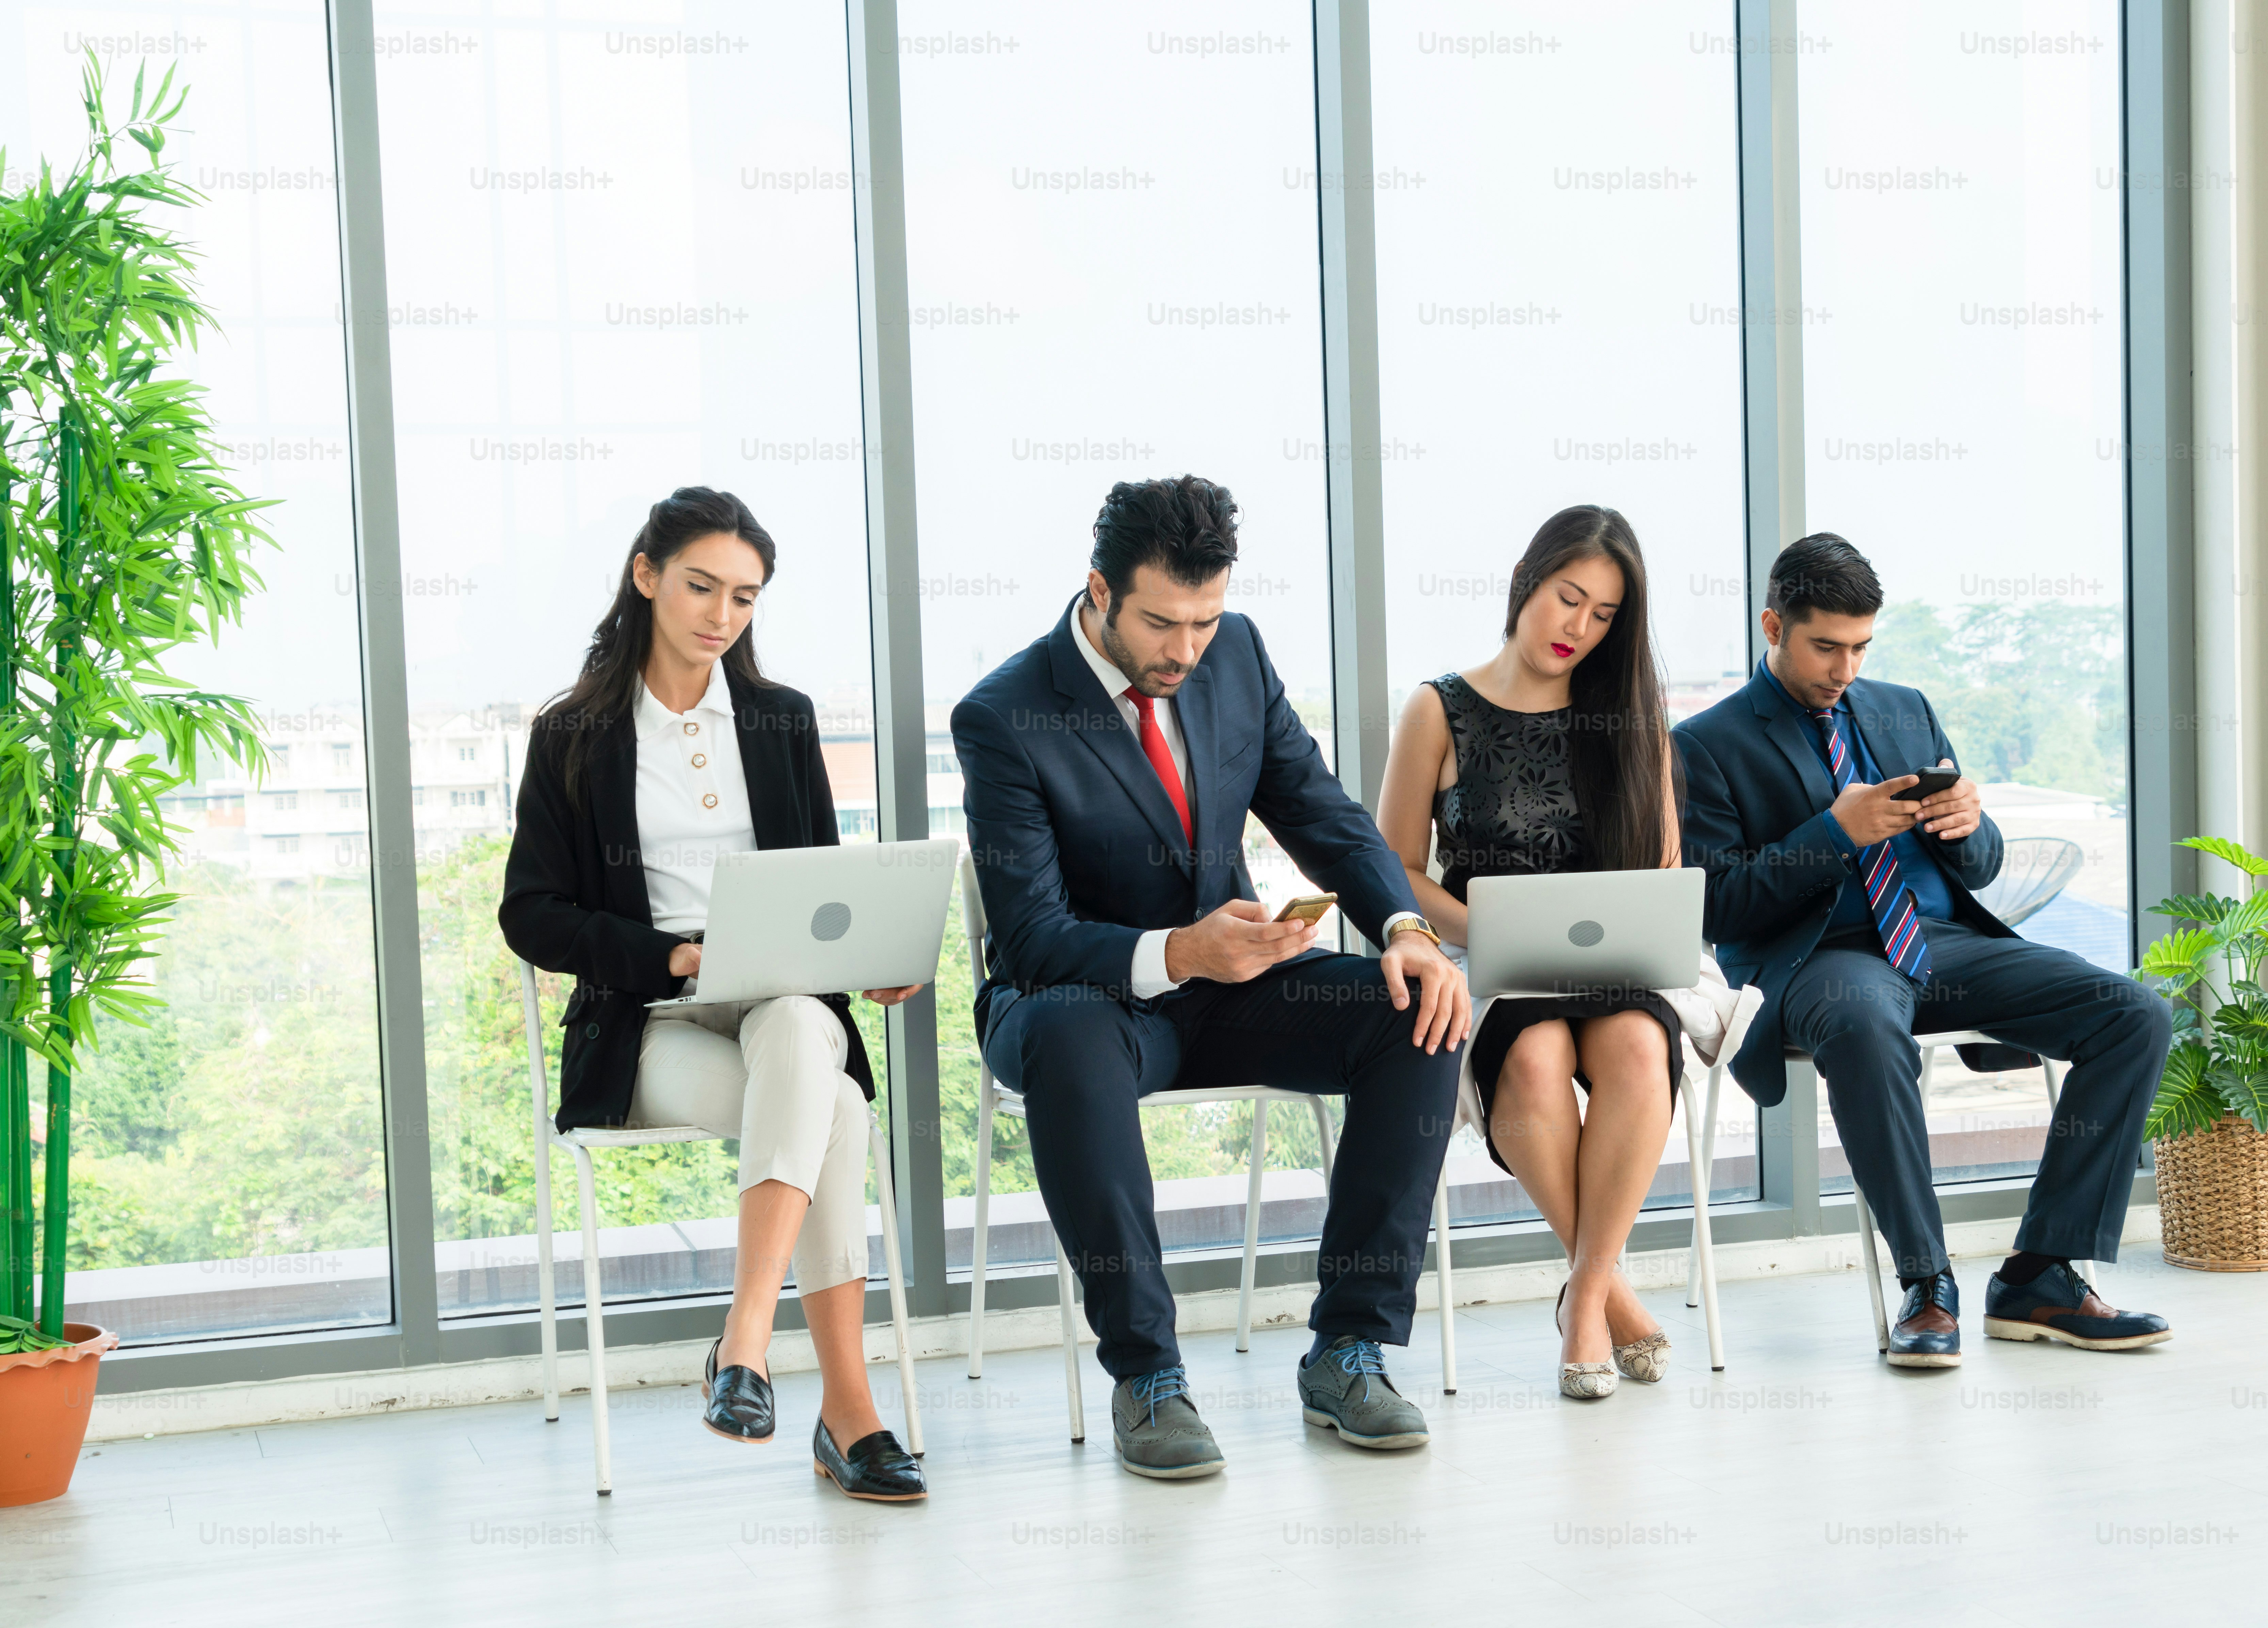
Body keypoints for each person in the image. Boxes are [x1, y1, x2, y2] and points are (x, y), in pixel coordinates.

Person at [952, 475, 1470, 1481]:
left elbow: (1319, 809)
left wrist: (1404, 928)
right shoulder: (1006, 716)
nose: (1184, 650)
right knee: (1067, 1037)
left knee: (1415, 1013)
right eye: (1161, 622)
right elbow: (1031, 937)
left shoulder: (1235, 656)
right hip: (1078, 1000)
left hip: (1234, 988)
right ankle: (1148, 1375)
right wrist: (1179, 951)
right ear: (1098, 591)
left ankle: (1349, 1350)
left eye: (1205, 619)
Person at [501, 486, 929, 1502]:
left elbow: (819, 889)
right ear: (647, 576)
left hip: (782, 1008)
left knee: (798, 1029)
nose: (720, 616)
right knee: (837, 1113)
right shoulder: (575, 734)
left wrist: (867, 953)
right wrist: (676, 958)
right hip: (649, 1027)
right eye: (701, 587)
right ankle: (850, 1415)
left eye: (744, 597)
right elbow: (533, 914)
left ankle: (744, 1342)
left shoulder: (781, 722)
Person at [1671, 531, 2174, 1368]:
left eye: (1861, 646)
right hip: (1820, 959)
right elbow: (1718, 907)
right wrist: (1835, 834)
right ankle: (1926, 1283)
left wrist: (1971, 825)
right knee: (1866, 1027)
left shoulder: (1905, 708)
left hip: (1939, 942)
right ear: (1773, 625)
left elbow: (1978, 867)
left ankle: (2040, 1272)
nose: (1846, 669)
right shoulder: (1706, 743)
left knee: (2134, 1014)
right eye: (1825, 646)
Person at [1375, 505, 1753, 1401]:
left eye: (1603, 615)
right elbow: (1392, 873)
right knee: (1537, 1058)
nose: (1578, 629)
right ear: (1526, 583)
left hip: (1623, 959)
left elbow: (1663, 868)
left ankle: (1582, 1295)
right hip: (1496, 960)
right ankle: (1612, 1293)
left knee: (1631, 1046)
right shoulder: (1440, 709)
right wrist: (1487, 929)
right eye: (1567, 599)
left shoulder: (1630, 715)